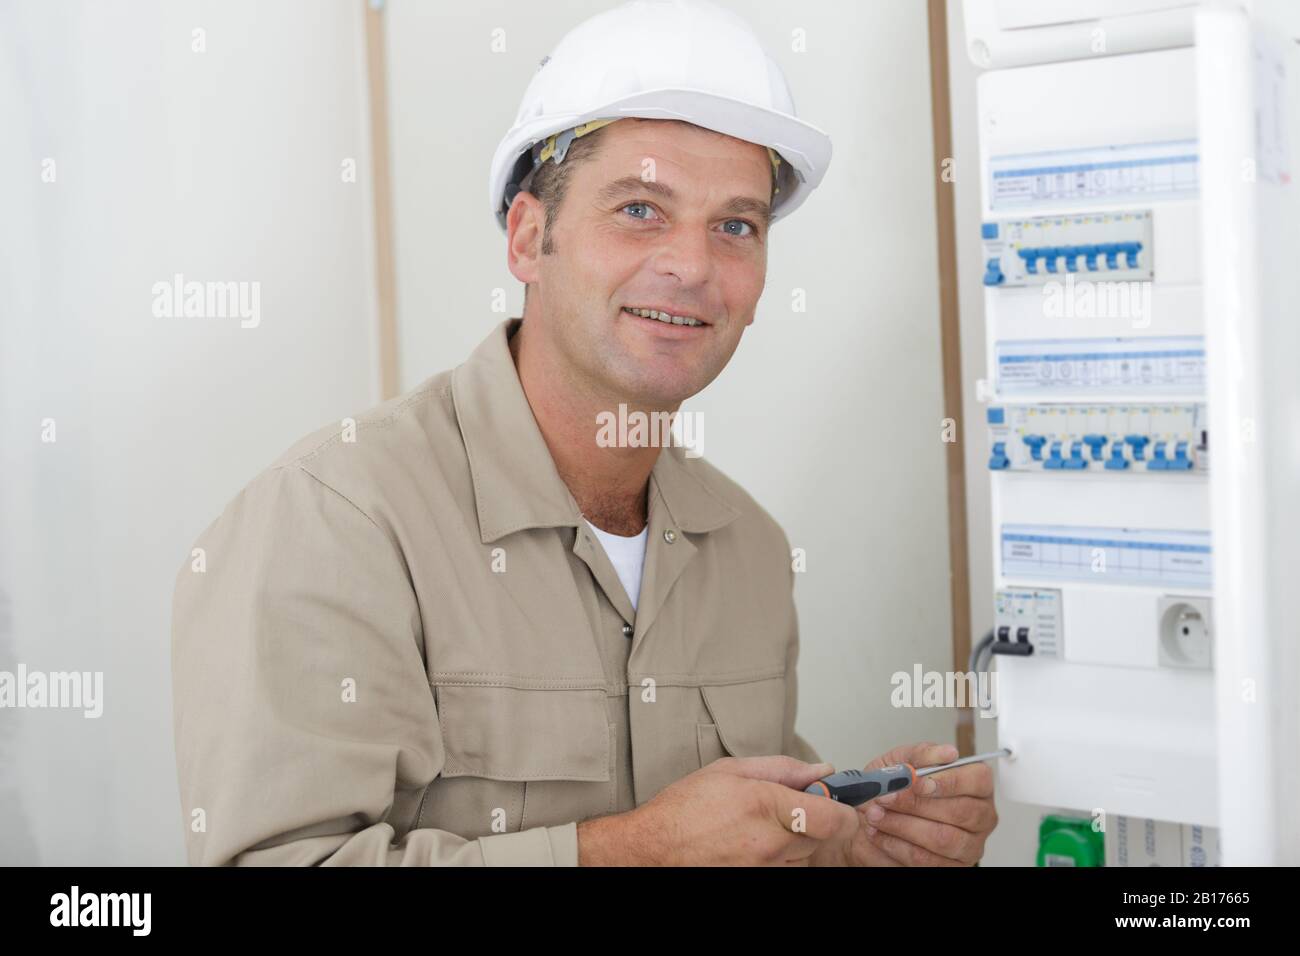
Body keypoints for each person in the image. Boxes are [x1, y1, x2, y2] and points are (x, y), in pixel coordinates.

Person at [171, 0, 996, 866]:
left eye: (736, 225)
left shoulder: (749, 550)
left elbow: (732, 847)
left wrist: (851, 846)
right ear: (530, 238)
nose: (692, 265)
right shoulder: (335, 523)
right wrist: (632, 852)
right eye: (640, 208)